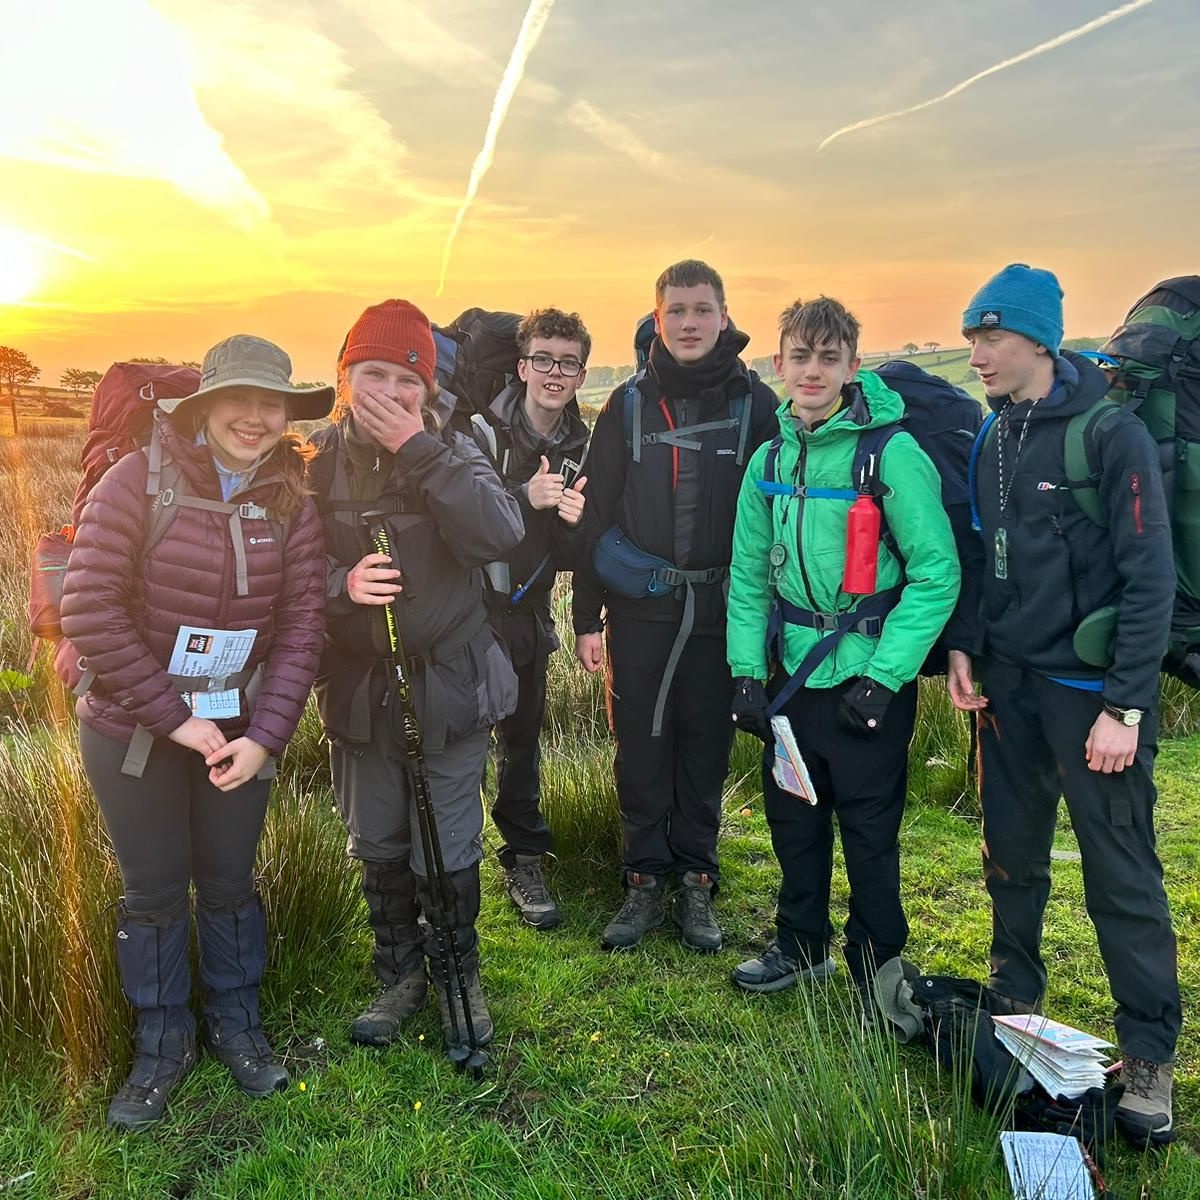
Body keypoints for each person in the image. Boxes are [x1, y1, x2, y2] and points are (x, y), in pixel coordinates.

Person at [60, 335, 330, 1130]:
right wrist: (176, 720)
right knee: (151, 890)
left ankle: (237, 1024)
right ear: (203, 405)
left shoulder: (293, 502)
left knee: (228, 882)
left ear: (288, 415)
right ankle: (162, 1040)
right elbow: (89, 610)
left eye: (272, 403)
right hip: (132, 732)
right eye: (239, 399)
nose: (255, 417)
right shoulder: (133, 483)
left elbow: (302, 630)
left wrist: (265, 739)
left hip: (240, 733)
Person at [946, 264, 1181, 1145]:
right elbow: (979, 556)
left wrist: (1125, 707)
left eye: (991, 337)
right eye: (970, 337)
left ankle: (1149, 1059)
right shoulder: (991, 434)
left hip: (1092, 701)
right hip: (1008, 688)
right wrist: (965, 648)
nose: (977, 354)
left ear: (1038, 341)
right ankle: (1016, 1011)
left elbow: (1148, 575)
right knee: (1009, 857)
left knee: (1120, 875)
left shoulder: (1109, 436)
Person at [725, 297, 959, 1009]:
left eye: (830, 358)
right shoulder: (769, 459)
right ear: (779, 365)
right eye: (801, 356)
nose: (814, 370)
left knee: (869, 828)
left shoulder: (891, 454)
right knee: (794, 819)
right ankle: (800, 947)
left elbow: (935, 571)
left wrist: (886, 677)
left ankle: (876, 963)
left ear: (853, 366)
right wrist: (743, 673)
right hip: (792, 683)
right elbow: (745, 573)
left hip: (866, 678)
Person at [308, 299, 523, 1051]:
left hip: (453, 684)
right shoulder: (315, 463)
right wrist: (341, 585)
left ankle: (457, 972)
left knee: (451, 841)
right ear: (342, 379)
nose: (390, 395)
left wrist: (417, 451)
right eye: (371, 375)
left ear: (429, 392)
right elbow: (285, 570)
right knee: (378, 837)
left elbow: (501, 531)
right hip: (360, 690)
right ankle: (398, 975)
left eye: (408, 382)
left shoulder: (456, 450)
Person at [573, 260, 777, 953]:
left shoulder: (759, 406)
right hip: (641, 612)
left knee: (706, 743)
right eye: (676, 311)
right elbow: (594, 517)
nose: (689, 323)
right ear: (657, 319)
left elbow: (777, 517)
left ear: (724, 317)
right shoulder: (626, 406)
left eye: (702, 309)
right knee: (640, 745)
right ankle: (643, 878)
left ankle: (696, 878)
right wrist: (583, 619)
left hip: (723, 610)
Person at [473, 308, 591, 930]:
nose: (553, 372)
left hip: (530, 612)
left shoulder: (585, 445)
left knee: (522, 742)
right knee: (462, 741)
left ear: (579, 375)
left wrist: (576, 523)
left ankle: (523, 856)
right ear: (521, 367)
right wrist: (524, 498)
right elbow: (459, 525)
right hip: (468, 614)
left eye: (567, 362)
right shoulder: (476, 433)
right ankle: (452, 860)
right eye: (543, 358)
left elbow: (572, 556)